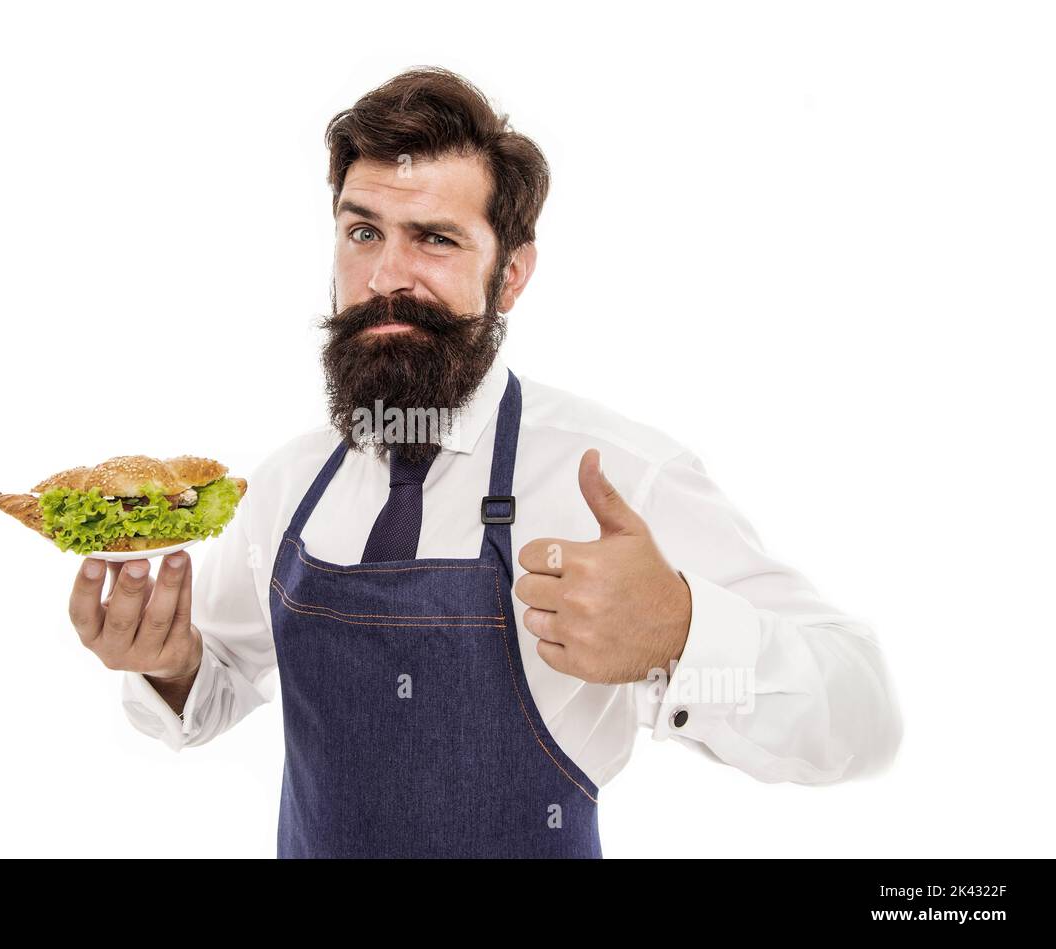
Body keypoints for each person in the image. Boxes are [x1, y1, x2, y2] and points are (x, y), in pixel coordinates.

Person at [66, 67, 902, 858]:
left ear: (511, 276)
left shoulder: (612, 476)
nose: (386, 276)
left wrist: (681, 632)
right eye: (363, 231)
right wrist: (167, 663)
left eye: (434, 238)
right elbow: (211, 689)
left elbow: (864, 714)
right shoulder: (289, 484)